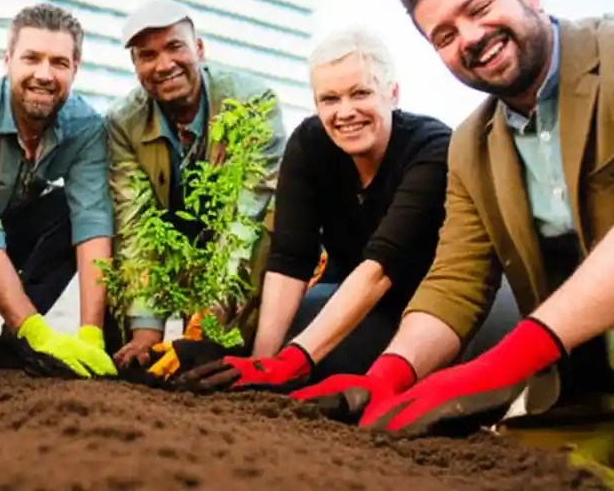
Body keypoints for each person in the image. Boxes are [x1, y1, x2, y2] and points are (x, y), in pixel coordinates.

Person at [293, 0, 614, 435]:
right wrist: (387, 375)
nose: (470, 37)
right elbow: (458, 280)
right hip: (593, 393)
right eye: (444, 35)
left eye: (480, 8)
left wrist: (500, 366)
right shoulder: (471, 144)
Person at [175, 28, 452, 390]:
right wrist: (262, 365)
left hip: (428, 304)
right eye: (330, 99)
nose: (345, 112)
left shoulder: (431, 148)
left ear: (393, 93)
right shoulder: (310, 143)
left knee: (329, 363)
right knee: (300, 326)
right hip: (355, 296)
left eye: (361, 93)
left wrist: (292, 362)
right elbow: (290, 258)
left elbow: (381, 268)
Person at [0, 3, 117, 378]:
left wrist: (91, 333)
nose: (44, 74)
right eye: (31, 58)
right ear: (8, 60)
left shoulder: (86, 127)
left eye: (59, 63)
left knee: (66, 212)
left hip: (3, 232)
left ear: (75, 69)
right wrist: (38, 330)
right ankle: (26, 329)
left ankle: (15, 343)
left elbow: (92, 222)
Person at [105, 0, 286, 369]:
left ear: (199, 49)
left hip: (236, 239)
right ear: (135, 66)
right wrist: (145, 331)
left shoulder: (253, 102)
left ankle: (234, 341)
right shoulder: (122, 122)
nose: (164, 65)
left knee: (271, 217)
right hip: (172, 236)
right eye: (147, 55)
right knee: (107, 226)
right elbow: (135, 225)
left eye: (174, 47)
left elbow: (245, 219)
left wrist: (204, 324)